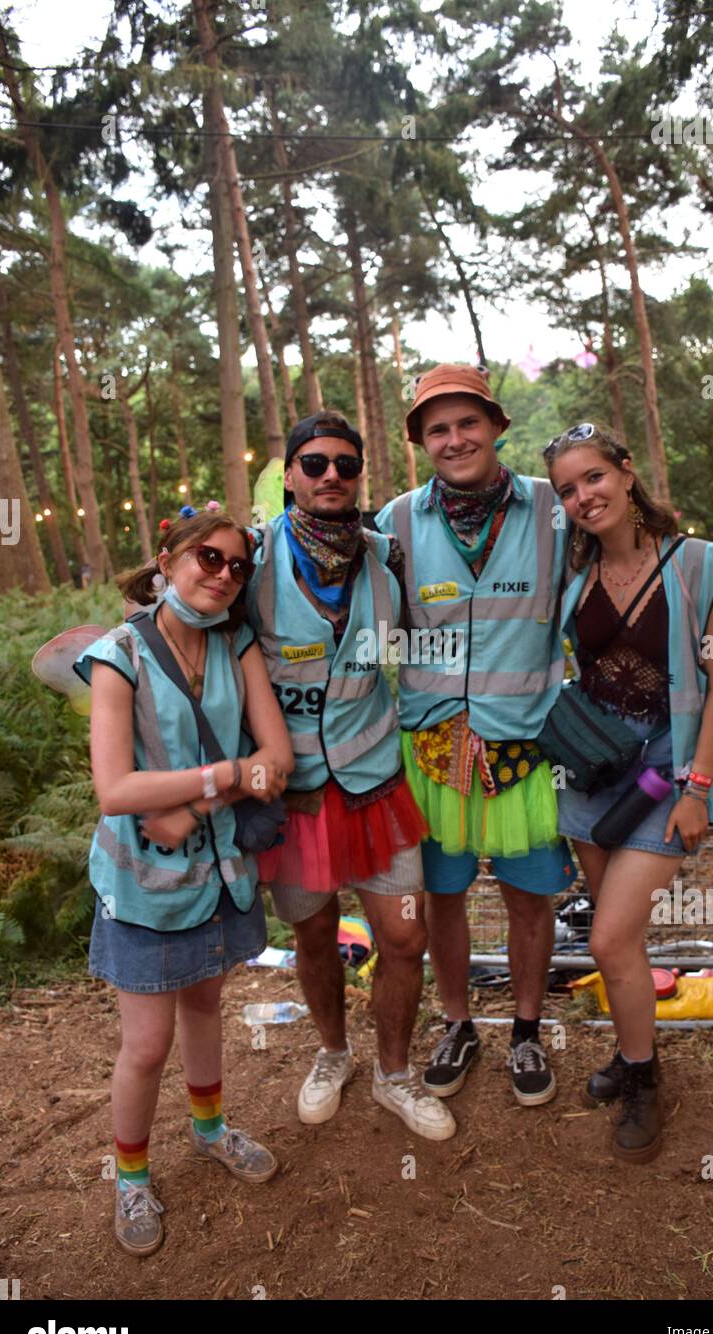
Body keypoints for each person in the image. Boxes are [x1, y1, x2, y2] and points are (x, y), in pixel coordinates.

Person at [73, 507, 294, 1256]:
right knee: (146, 1042)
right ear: (166, 561)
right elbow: (114, 790)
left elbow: (277, 759)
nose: (224, 575)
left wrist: (196, 797)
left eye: (238, 566)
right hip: (143, 882)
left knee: (205, 1003)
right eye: (208, 557)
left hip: (220, 870)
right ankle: (130, 1177)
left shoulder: (238, 643)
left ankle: (209, 1130)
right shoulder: (117, 656)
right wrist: (227, 776)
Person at [248, 410, 456, 1142]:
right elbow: (185, 635)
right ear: (290, 476)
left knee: (403, 938)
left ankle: (394, 1076)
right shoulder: (248, 558)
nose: (331, 475)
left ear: (359, 474)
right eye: (313, 463)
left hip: (376, 785)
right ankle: (333, 1054)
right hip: (295, 795)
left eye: (345, 463)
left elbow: (441, 639)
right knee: (316, 936)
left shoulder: (388, 559)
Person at [375, 365, 575, 1108]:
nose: (454, 439)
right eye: (437, 429)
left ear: (495, 425)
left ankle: (526, 1031)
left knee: (530, 903)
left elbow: (625, 563)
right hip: (431, 753)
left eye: (467, 423)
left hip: (525, 753)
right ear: (422, 443)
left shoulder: (557, 509)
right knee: (442, 902)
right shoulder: (395, 523)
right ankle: (457, 1023)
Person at [544, 422, 713, 1162]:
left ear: (626, 475)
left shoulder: (697, 565)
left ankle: (646, 1080)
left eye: (593, 477)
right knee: (618, 942)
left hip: (668, 770)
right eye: (567, 489)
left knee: (608, 936)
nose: (583, 496)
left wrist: (699, 786)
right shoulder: (577, 577)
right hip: (592, 770)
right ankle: (633, 1059)